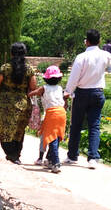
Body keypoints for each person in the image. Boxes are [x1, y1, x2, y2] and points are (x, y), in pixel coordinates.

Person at [63, 29, 111, 168]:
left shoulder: (81, 57)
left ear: (86, 41)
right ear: (100, 41)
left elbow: (74, 78)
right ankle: (92, 157)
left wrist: (67, 92)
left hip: (82, 92)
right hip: (97, 92)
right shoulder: (105, 55)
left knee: (76, 125)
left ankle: (72, 155)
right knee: (94, 125)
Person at [0, 43, 38, 163]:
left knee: (4, 129)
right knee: (19, 130)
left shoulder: (5, 68)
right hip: (22, 104)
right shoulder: (29, 69)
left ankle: (10, 154)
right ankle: (16, 154)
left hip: (6, 104)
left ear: (11, 53)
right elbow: (33, 86)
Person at [36, 65, 65, 174]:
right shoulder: (60, 88)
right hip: (61, 113)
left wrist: (29, 93)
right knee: (56, 137)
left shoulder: (44, 88)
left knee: (51, 138)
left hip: (51, 114)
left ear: (46, 78)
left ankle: (56, 163)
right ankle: (50, 160)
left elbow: (35, 93)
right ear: (59, 78)